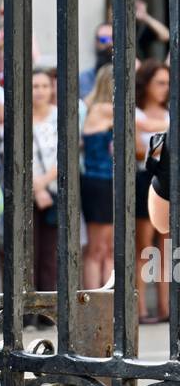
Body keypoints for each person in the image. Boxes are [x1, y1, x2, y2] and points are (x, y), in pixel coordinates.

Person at [135, 59, 170, 324]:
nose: (164, 88)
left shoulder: (171, 111)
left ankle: (167, 307)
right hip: (145, 179)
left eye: (168, 83)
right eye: (159, 82)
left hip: (170, 181)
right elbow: (137, 151)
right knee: (144, 248)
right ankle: (140, 311)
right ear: (145, 83)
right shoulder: (135, 113)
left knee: (168, 247)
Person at [80, 63, 115, 289]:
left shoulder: (93, 105)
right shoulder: (103, 108)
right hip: (98, 182)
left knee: (109, 247)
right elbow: (143, 122)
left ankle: (109, 301)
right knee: (97, 248)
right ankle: (94, 300)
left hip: (108, 182)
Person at [32, 67, 59, 291]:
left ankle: (47, 310)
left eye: (44, 86)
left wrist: (44, 183)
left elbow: (67, 154)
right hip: (25, 193)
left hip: (55, 192)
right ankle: (27, 312)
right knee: (27, 252)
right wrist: (35, 188)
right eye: (34, 86)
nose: (40, 91)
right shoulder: (19, 116)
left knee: (51, 253)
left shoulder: (60, 116)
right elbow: (13, 153)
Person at [79, 22, 113, 100]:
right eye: (104, 39)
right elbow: (84, 107)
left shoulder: (130, 73)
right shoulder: (85, 77)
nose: (109, 43)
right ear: (96, 43)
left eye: (113, 38)